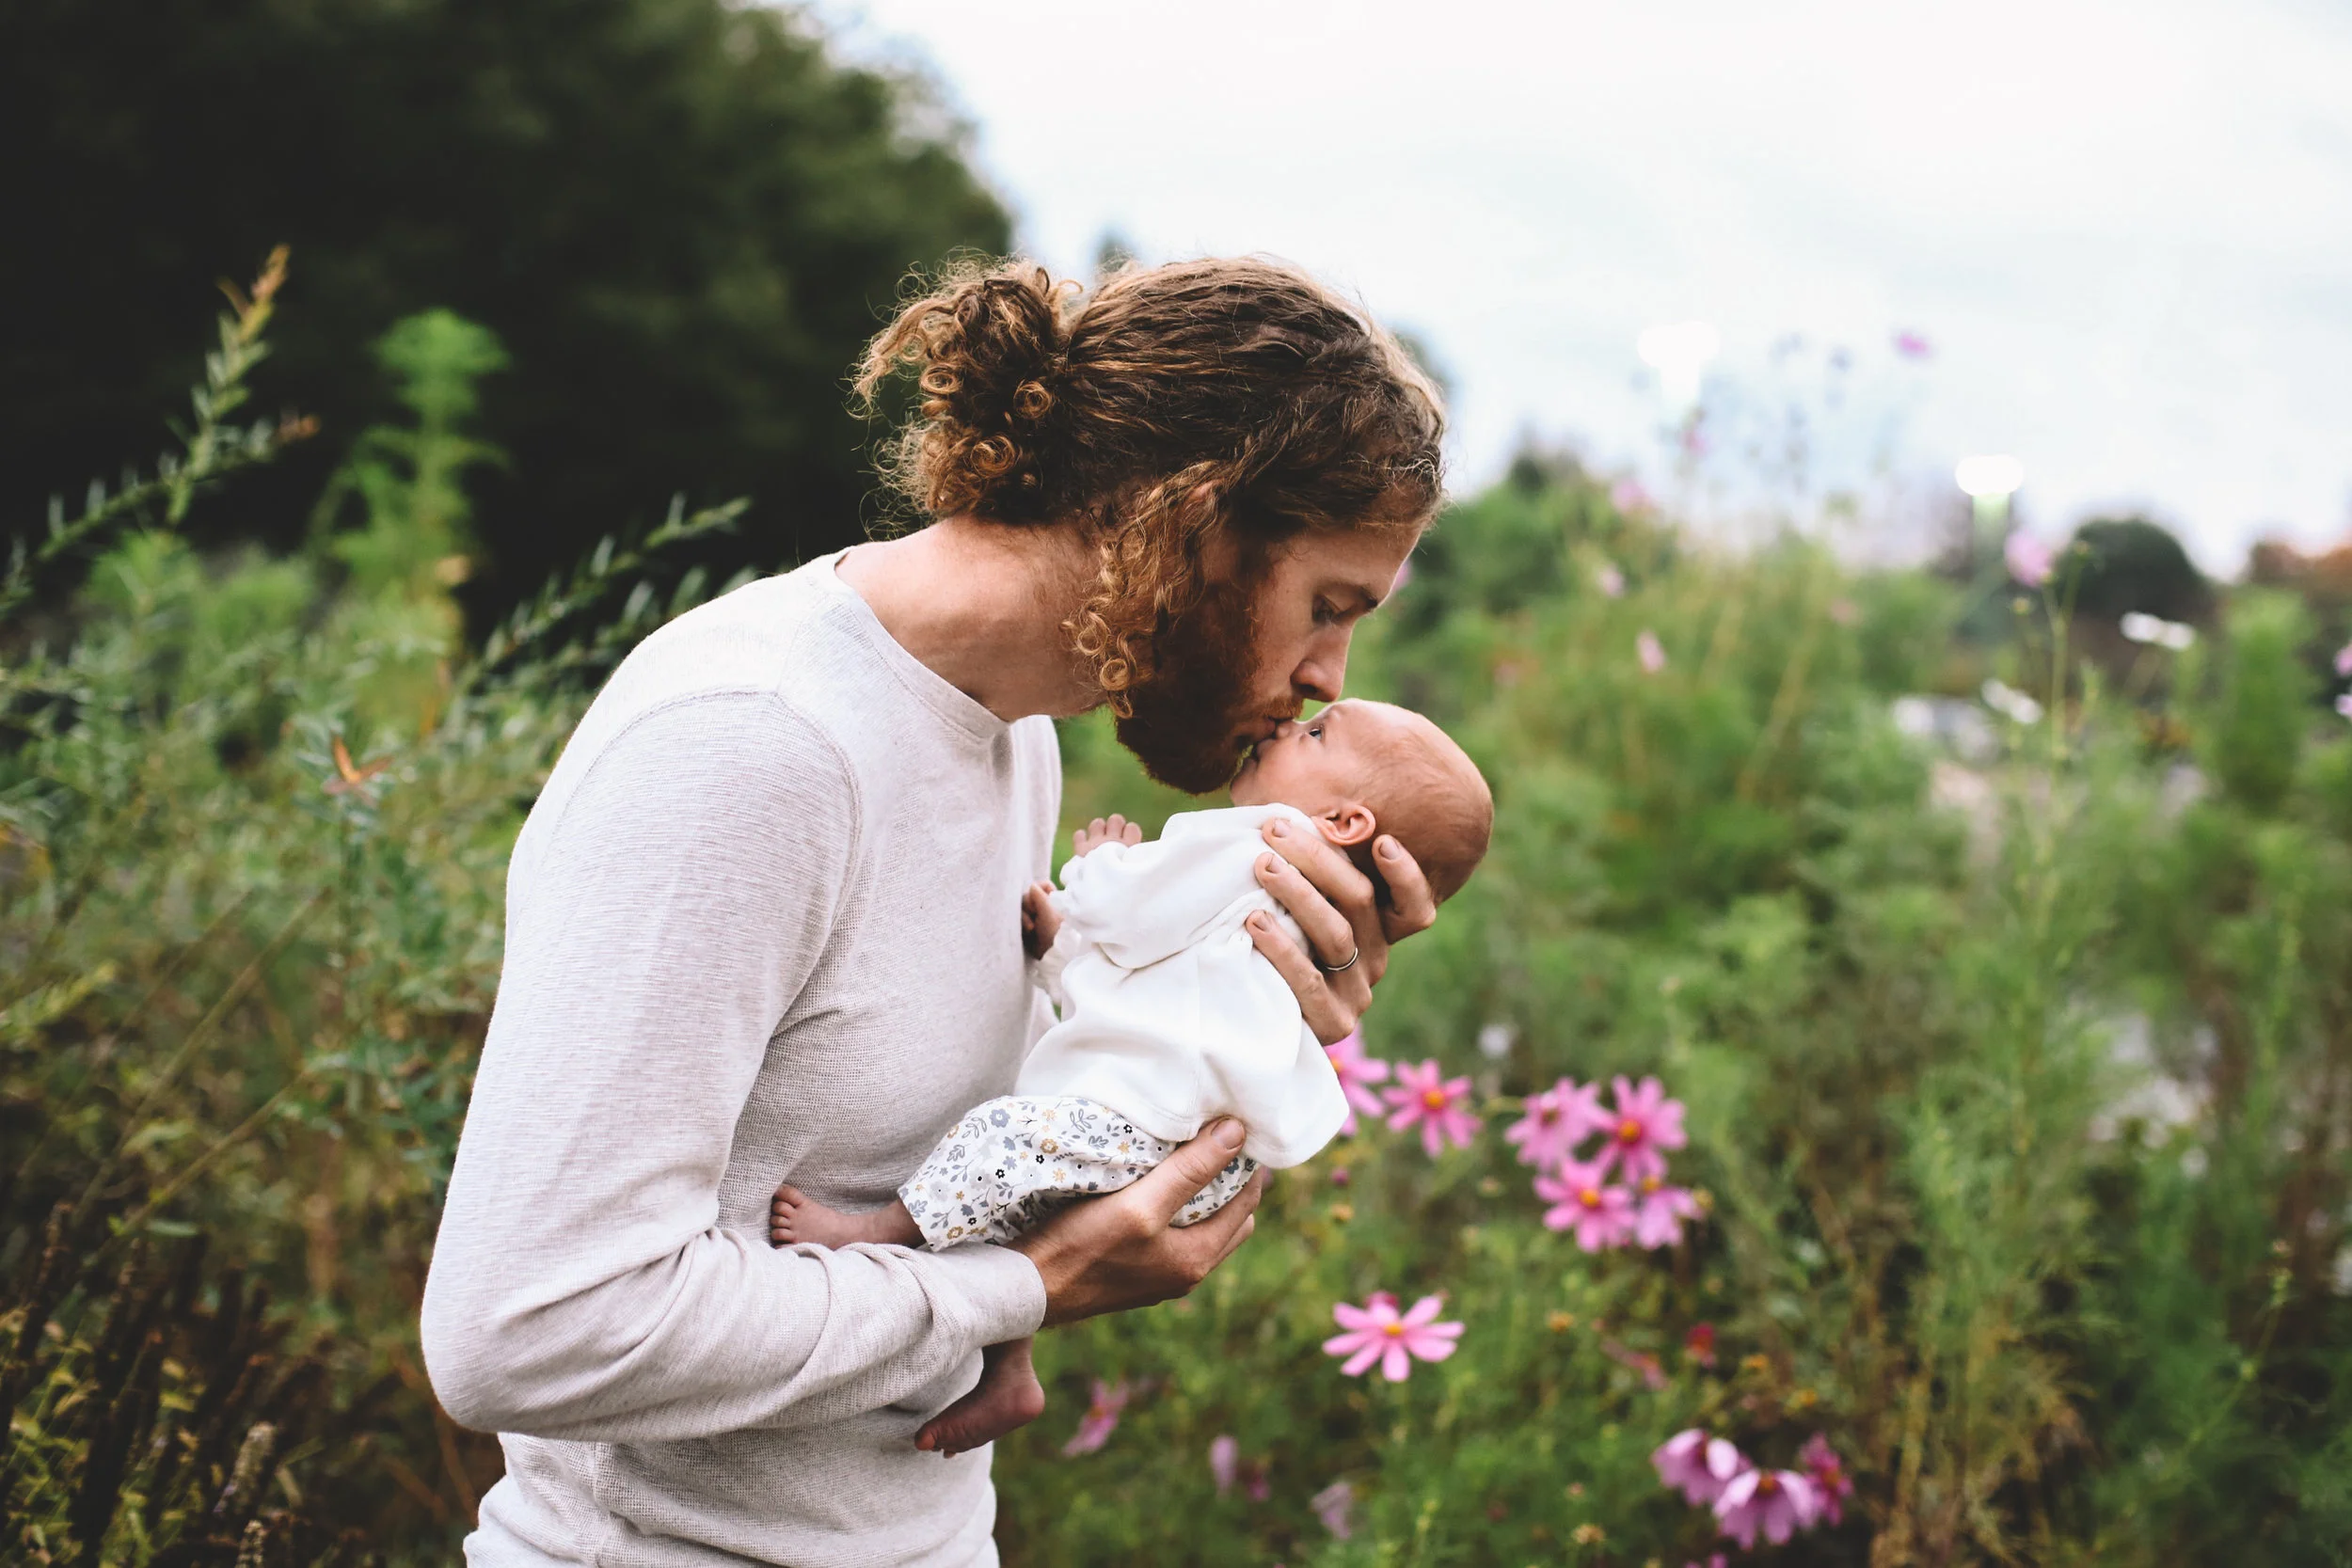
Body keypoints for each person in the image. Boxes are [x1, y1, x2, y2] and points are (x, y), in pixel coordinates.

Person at [421, 257, 1449, 1567]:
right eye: (1327, 606)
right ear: (1194, 523)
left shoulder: (1013, 731)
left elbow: (959, 1128)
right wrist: (1025, 1288)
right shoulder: (751, 745)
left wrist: (1232, 1005)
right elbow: (524, 1329)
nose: (1325, 678)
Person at [771, 698, 1493, 1459]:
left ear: (1344, 822)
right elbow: (1150, 990)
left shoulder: (1259, 844)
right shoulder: (1297, 915)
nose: (1290, 724)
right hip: (1194, 1155)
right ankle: (1009, 1368)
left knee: (999, 1136)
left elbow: (1132, 912)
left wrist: (1098, 865)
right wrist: (1062, 947)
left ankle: (879, 1230)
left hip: (1146, 1132)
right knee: (1028, 1216)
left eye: (1317, 733)